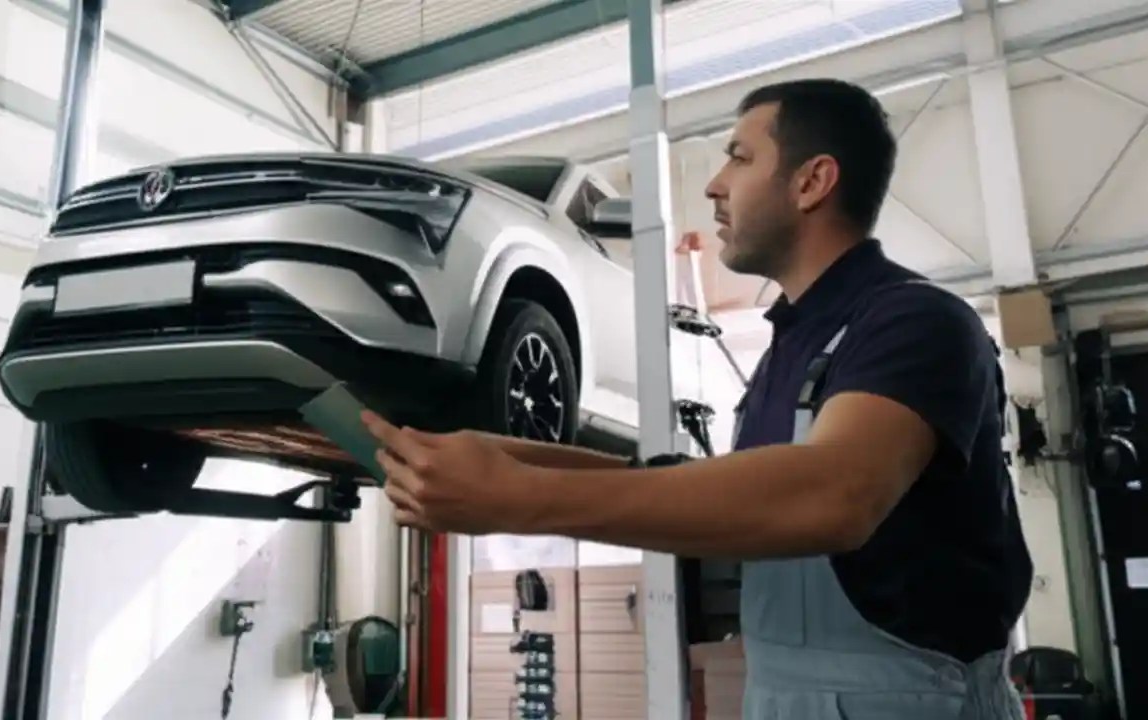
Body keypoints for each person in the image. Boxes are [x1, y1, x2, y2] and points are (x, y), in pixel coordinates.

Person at [361, 78, 1034, 719]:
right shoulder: (787, 352)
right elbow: (705, 490)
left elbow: (834, 495)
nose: (713, 185)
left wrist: (521, 498)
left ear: (812, 182)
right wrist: (512, 459)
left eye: (739, 158)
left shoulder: (913, 322)